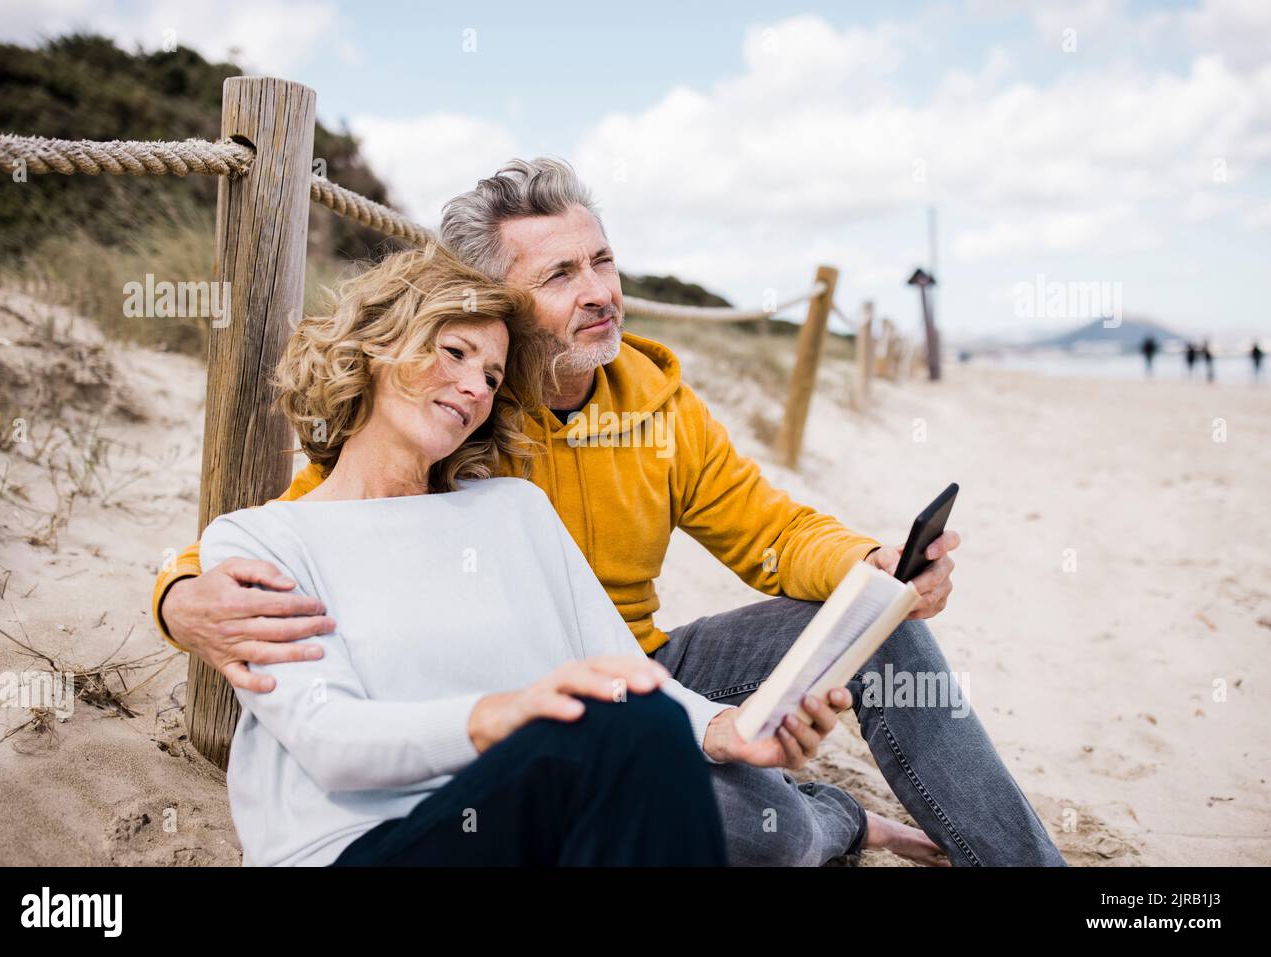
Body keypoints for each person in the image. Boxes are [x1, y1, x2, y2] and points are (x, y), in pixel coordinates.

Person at [156, 158, 1063, 867]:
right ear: (495, 300)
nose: (599, 290)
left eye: (603, 260)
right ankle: (829, 820)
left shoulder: (651, 401)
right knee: (770, 830)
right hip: (546, 715)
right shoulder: (451, 428)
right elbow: (319, 522)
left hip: (645, 665)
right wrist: (178, 593)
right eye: (560, 275)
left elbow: (770, 531)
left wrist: (871, 567)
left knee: (885, 627)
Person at [201, 242, 730, 865]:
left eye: (492, 377)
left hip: (520, 823)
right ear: (377, 346)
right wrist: (508, 715)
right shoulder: (262, 540)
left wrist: (730, 730)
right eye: (454, 352)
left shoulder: (515, 509)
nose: (473, 387)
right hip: (360, 847)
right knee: (634, 744)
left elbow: (620, 667)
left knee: (651, 737)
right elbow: (329, 741)